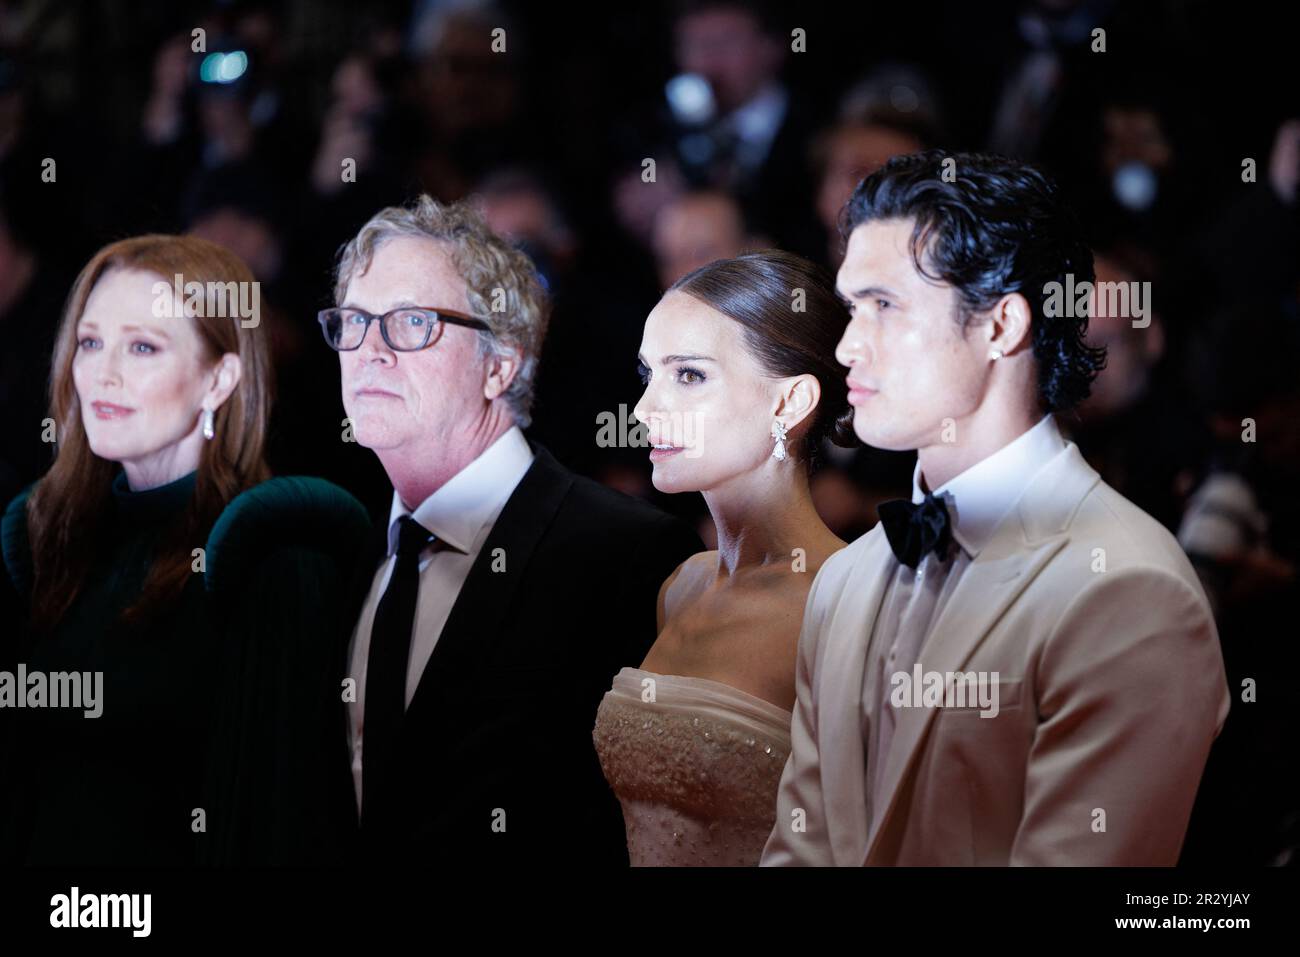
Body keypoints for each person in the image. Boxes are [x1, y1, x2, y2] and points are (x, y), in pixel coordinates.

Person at [761, 151, 1231, 866]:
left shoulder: (1130, 589)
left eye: (883, 306)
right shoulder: (844, 580)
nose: (847, 345)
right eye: (852, 308)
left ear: (1002, 326)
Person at [326, 196, 701, 866]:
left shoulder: (628, 556)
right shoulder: (334, 554)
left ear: (501, 364)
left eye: (411, 322)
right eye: (354, 320)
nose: (368, 351)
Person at [0, 235, 369, 866]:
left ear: (219, 379)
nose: (103, 374)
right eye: (91, 342)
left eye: (142, 347)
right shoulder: (44, 539)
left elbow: (284, 832)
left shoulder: (269, 556)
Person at [592, 250, 854, 865]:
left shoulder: (844, 601)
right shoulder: (681, 588)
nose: (644, 411)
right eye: (648, 374)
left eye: (688, 375)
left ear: (789, 404)